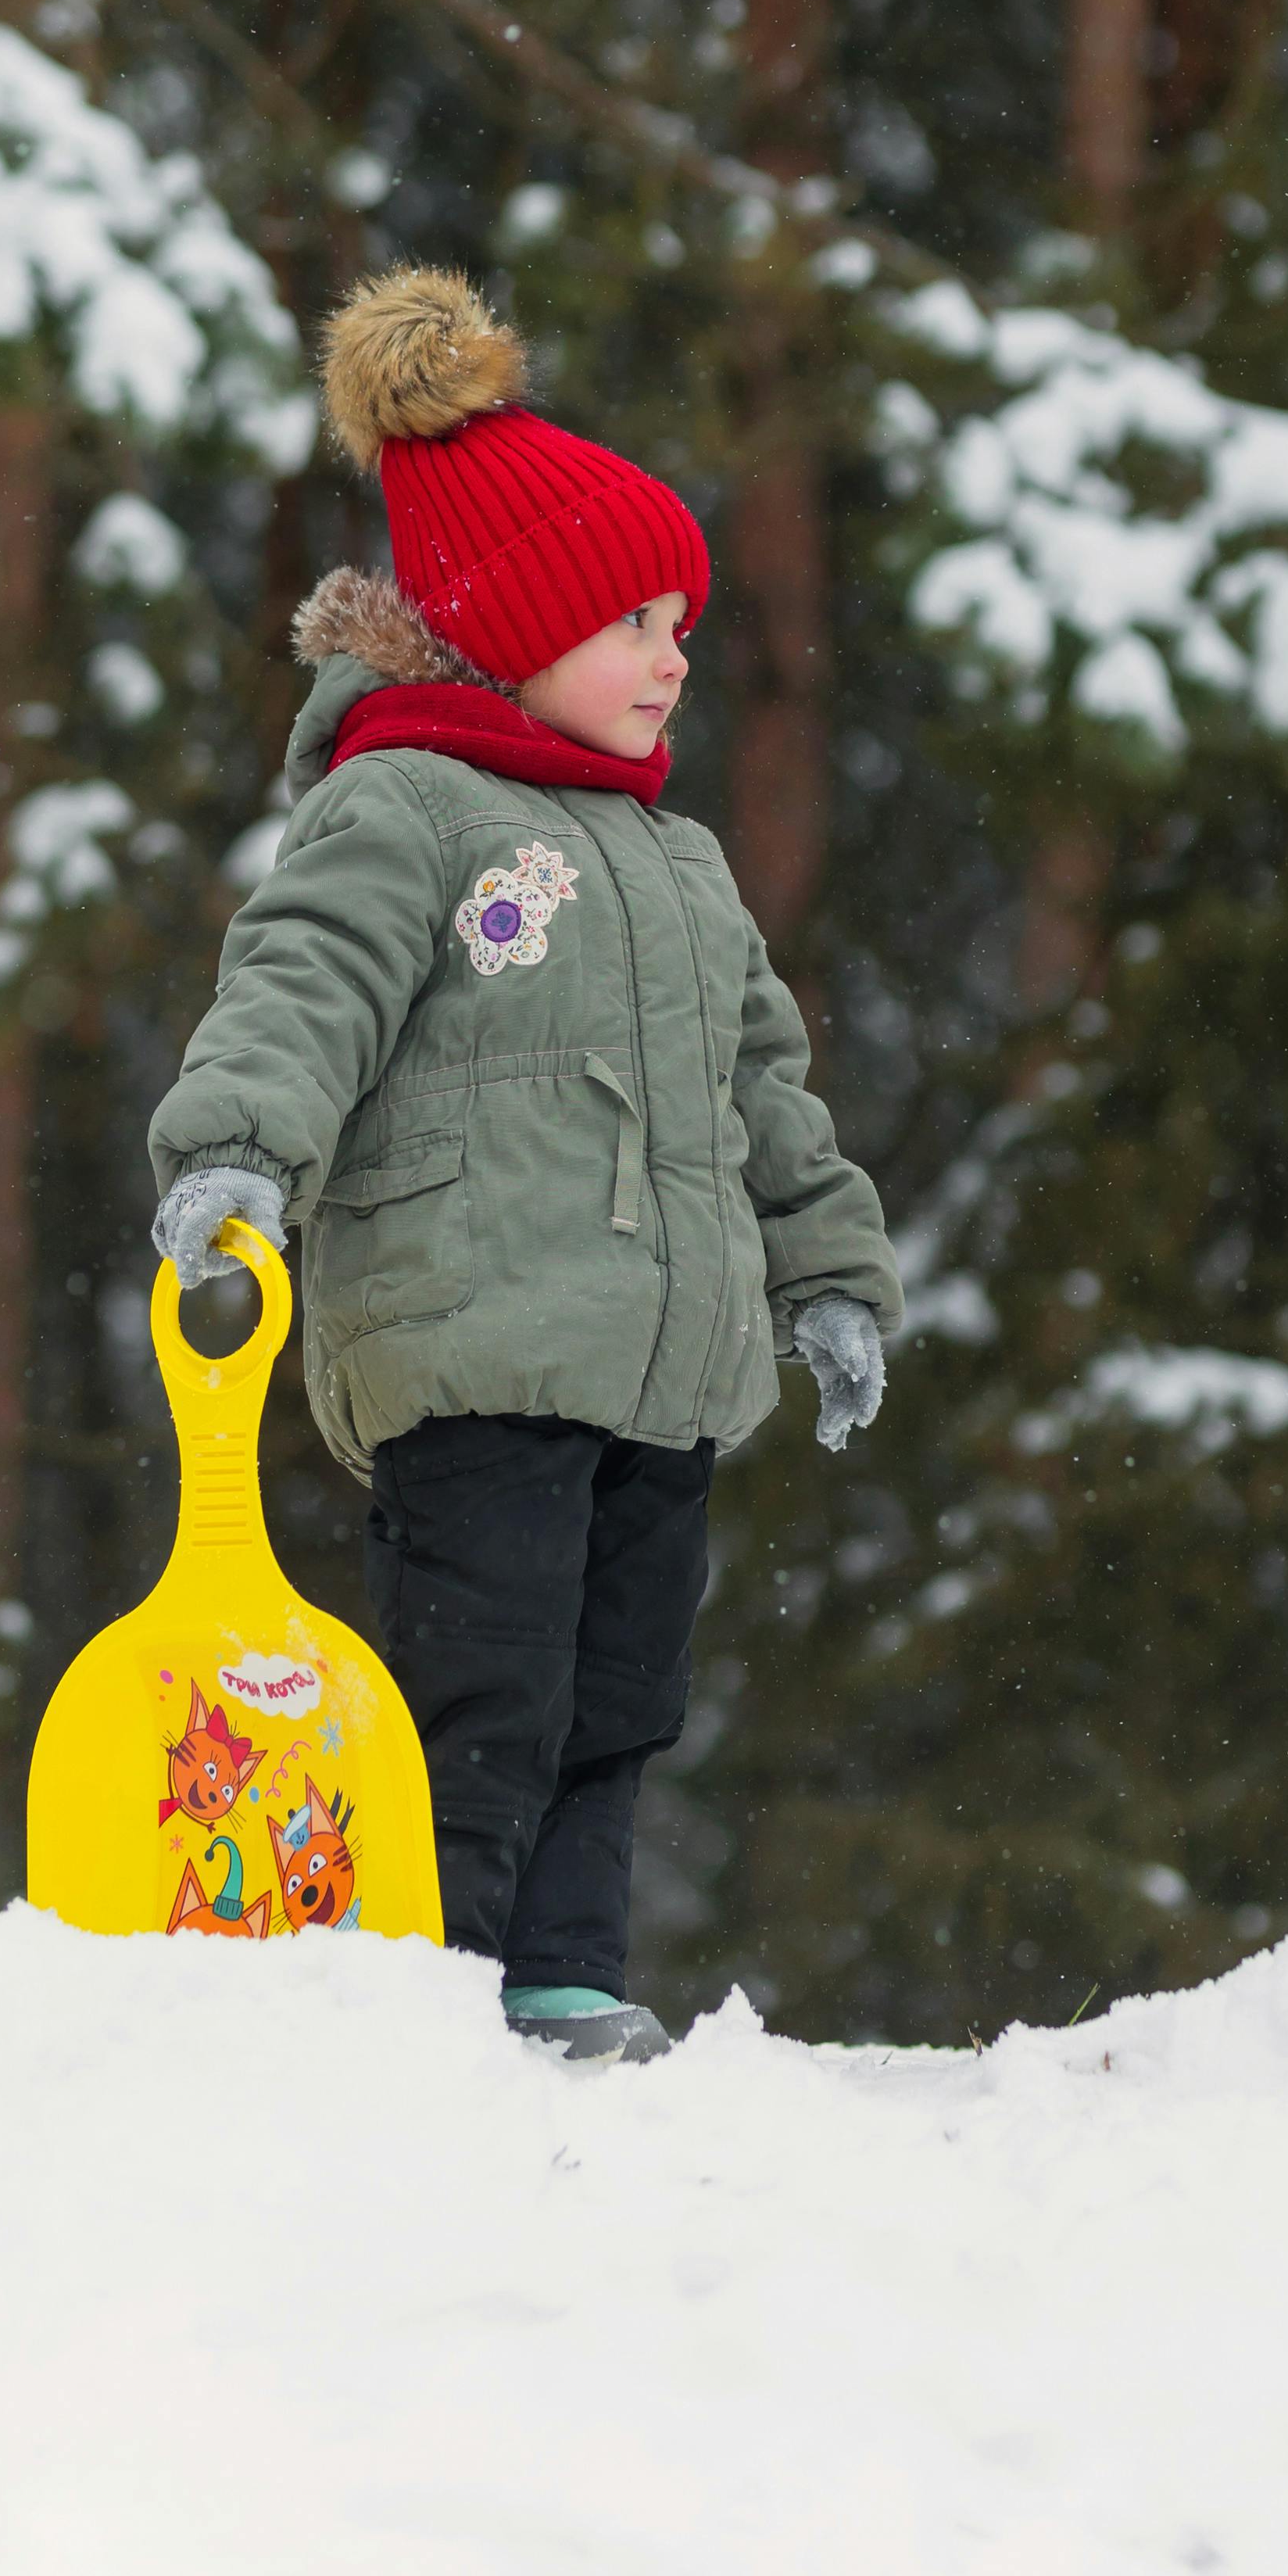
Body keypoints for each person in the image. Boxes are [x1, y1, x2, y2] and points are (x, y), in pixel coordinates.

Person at [148, 266, 901, 2058]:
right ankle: (432, 1984)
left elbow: (764, 1094)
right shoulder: (400, 807)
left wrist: (827, 1277)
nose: (674, 656)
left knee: (618, 1691)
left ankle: (563, 1974)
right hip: (468, 1341)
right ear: (509, 627)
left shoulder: (681, 863)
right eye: (635, 621)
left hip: (660, 1366)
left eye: (681, 624)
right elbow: (301, 988)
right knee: (481, 1682)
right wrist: (239, 1156)